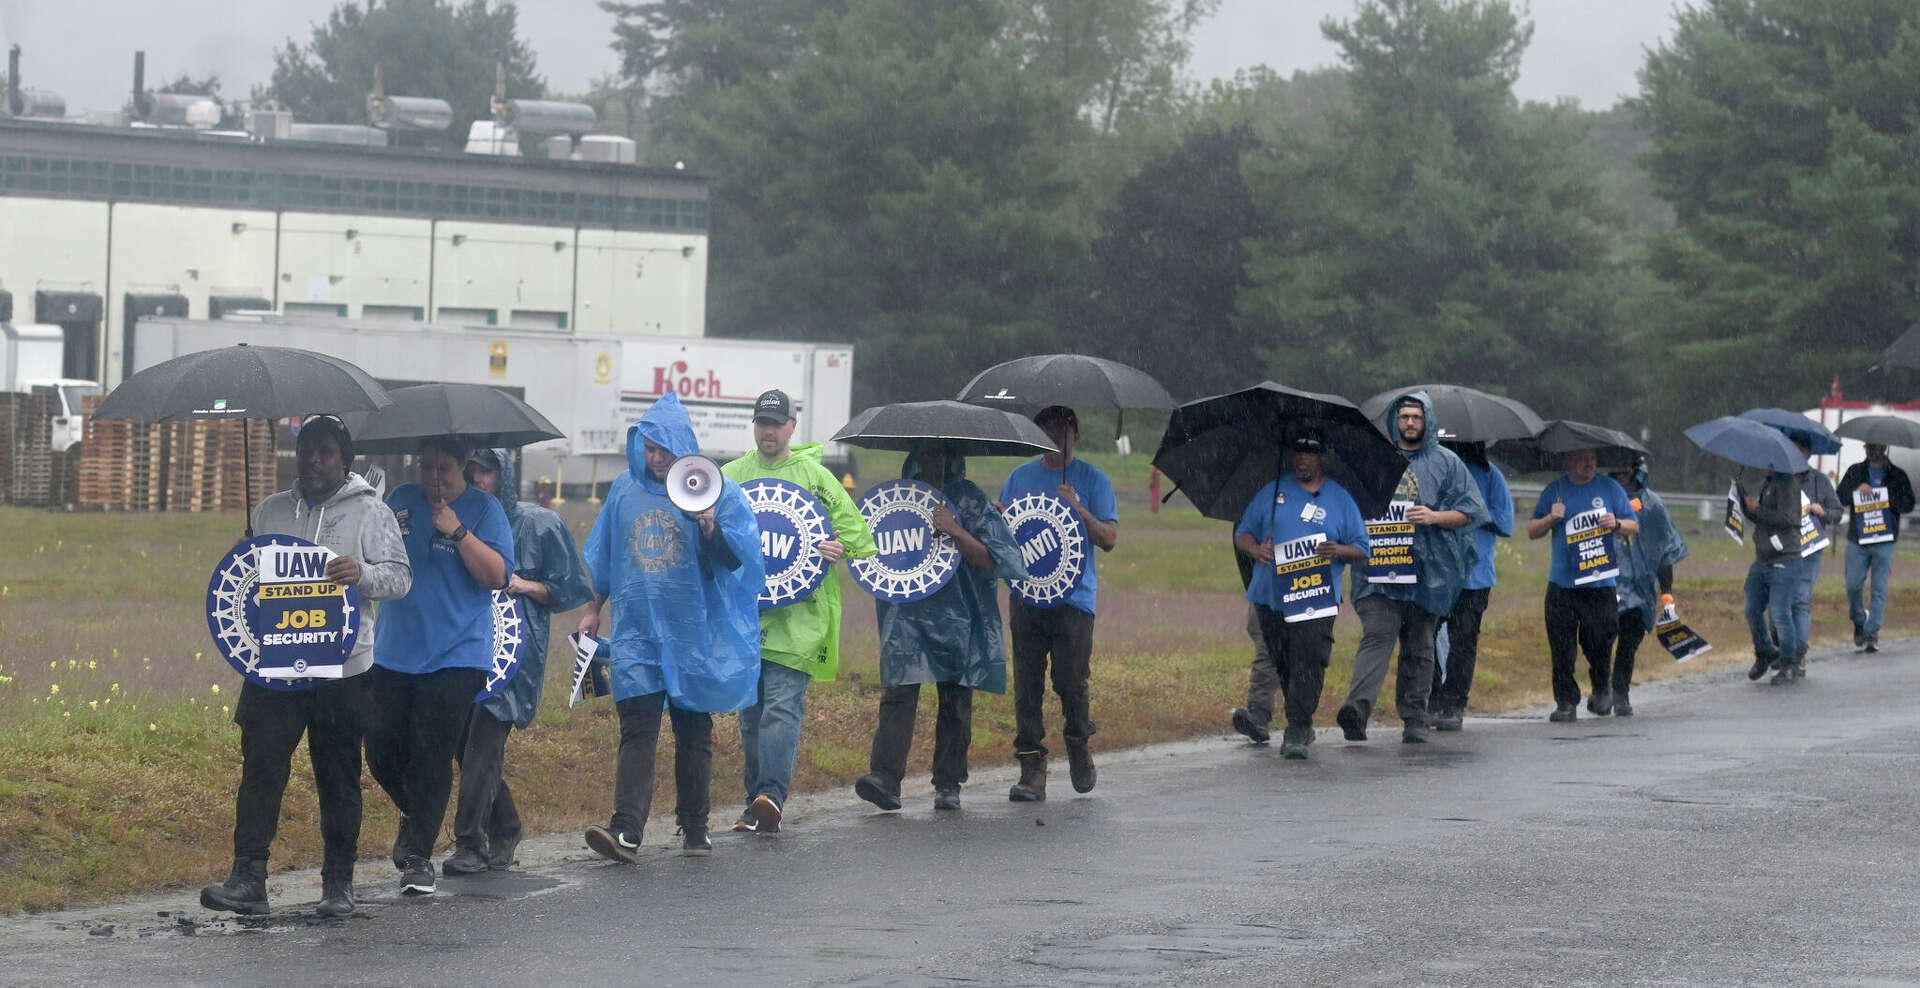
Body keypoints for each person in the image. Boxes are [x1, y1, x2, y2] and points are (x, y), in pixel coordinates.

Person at [199, 416, 410, 918]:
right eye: (306, 450)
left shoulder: (371, 512)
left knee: (338, 776)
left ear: (345, 460)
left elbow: (400, 578)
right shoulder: (269, 510)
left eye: (325, 452)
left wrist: (362, 573)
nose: (313, 460)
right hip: (274, 668)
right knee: (261, 769)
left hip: (344, 669)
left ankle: (338, 884)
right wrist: (243, 558)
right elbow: (245, 582)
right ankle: (248, 879)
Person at [578, 391, 764, 862]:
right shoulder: (624, 490)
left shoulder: (719, 491)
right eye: (649, 448)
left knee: (693, 728)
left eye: (664, 448)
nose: (656, 458)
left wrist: (710, 528)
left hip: (692, 634)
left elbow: (738, 562)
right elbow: (606, 555)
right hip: (637, 631)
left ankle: (695, 825)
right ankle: (626, 830)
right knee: (637, 727)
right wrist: (593, 608)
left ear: (683, 445)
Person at [721, 388, 878, 833]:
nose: (768, 431)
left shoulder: (816, 477)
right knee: (750, 716)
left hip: (800, 620)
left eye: (776, 423)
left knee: (780, 707)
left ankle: (771, 796)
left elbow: (858, 536)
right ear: (754, 426)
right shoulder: (730, 477)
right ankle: (755, 803)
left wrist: (837, 547)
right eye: (762, 423)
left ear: (792, 426)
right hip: (745, 620)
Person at [366, 436, 514, 896]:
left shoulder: (484, 509)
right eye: (426, 466)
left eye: (443, 468)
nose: (433, 477)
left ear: (463, 465)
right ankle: (419, 813)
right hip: (394, 650)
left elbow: (497, 576)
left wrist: (458, 531)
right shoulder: (400, 500)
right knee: (381, 751)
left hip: (458, 653)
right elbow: (372, 555)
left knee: (431, 752)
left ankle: (417, 857)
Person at [854, 441, 1027, 810]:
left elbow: (995, 560)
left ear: (953, 457)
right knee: (898, 691)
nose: (933, 461)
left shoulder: (970, 500)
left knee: (956, 698)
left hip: (959, 616)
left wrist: (954, 530)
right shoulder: (900, 500)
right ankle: (885, 778)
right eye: (927, 453)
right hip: (909, 615)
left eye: (940, 454)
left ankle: (948, 783)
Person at [444, 449, 592, 875]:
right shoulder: (458, 522)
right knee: (464, 743)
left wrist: (527, 585)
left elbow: (566, 588)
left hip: (514, 651)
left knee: (484, 741)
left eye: (488, 472)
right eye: (472, 472)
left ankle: (470, 844)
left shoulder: (539, 524)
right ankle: (506, 825)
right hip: (466, 646)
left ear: (504, 476)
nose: (479, 480)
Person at [1336, 392, 1489, 744]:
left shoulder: (1447, 463)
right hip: (1378, 572)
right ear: (1395, 421)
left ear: (1427, 421)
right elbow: (1350, 507)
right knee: (1377, 637)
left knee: (1420, 647)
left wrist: (1434, 516)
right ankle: (1357, 710)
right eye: (1404, 416)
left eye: (1416, 417)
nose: (1409, 423)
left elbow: (1470, 512)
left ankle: (1415, 717)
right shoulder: (1374, 459)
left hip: (1428, 574)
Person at [1001, 405, 1119, 801]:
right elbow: (1005, 532)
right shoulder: (1019, 477)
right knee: (1027, 686)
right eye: (1046, 429)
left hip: (1075, 597)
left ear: (1075, 434)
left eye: (1062, 429)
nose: (1054, 436)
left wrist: (1078, 508)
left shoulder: (1094, 479)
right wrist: (1000, 517)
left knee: (1071, 681)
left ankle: (1078, 741)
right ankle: (1031, 767)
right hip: (1027, 595)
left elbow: (1109, 538)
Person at [1232, 434, 1370, 759]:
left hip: (1316, 596)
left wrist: (1338, 550)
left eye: (1310, 452)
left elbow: (1363, 548)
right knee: (1282, 659)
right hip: (1271, 594)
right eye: (1298, 452)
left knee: (1310, 659)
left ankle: (1298, 725)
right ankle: (1298, 720)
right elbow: (1243, 533)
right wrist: (1256, 549)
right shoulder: (1272, 491)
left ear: (1323, 457)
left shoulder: (1340, 498)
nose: (1302, 458)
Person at [1527, 447, 1640, 720]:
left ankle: (1601, 689)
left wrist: (1616, 523)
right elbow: (1532, 531)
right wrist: (1551, 518)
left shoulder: (1610, 488)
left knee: (1599, 642)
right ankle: (1566, 703)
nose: (1588, 463)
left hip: (1599, 583)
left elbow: (1634, 525)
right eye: (1581, 458)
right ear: (1568, 459)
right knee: (1562, 648)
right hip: (1562, 584)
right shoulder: (1555, 491)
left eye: (1592, 458)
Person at [1429, 440, 1513, 731]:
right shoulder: (1433, 470)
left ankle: (1454, 704)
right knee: (1424, 636)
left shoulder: (1491, 475)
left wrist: (1471, 513)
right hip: (1437, 572)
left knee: (1463, 640)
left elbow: (1505, 522)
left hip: (1475, 576)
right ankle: (1432, 699)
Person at [1608, 458, 1689, 716]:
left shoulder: (1653, 505)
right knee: (1602, 638)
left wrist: (1667, 593)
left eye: (1625, 469)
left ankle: (1620, 692)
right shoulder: (1602, 498)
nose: (1620, 474)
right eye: (1616, 470)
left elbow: (1665, 550)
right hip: (1607, 584)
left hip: (1640, 587)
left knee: (1630, 639)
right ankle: (1602, 688)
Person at [1839, 443, 1915, 652]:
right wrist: (1856, 491)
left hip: (1885, 539)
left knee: (1879, 588)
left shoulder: (1897, 475)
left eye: (1875, 447)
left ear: (1884, 447)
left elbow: (1909, 503)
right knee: (1853, 585)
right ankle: (1859, 619)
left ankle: (1872, 633)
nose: (1871, 451)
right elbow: (1840, 496)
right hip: (1858, 539)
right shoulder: (1856, 471)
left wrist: (1886, 496)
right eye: (1868, 447)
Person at [1784, 436, 1842, 668]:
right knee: (1780, 600)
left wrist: (1823, 512)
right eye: (1793, 449)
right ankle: (1782, 647)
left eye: (1801, 449)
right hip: (1785, 549)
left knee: (1800, 599)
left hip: (1811, 548)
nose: (1796, 453)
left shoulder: (1820, 481)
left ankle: (1799, 653)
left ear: (1808, 453)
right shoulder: (1780, 478)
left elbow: (1837, 512)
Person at [1742, 468, 1804, 682]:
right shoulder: (1768, 482)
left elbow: (1788, 518)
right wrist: (1744, 504)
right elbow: (1761, 518)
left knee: (1779, 613)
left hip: (1785, 558)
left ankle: (1789, 663)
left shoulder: (1788, 483)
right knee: (1751, 609)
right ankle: (1765, 651)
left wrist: (1758, 509)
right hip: (1763, 559)